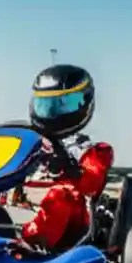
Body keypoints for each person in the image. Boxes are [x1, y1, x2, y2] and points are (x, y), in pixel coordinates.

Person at [19, 64, 114, 251]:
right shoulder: (28, 141)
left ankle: (33, 242)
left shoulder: (91, 149)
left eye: (65, 104)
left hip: (71, 221)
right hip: (24, 207)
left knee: (61, 194)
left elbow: (92, 183)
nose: (54, 113)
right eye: (47, 105)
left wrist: (68, 167)